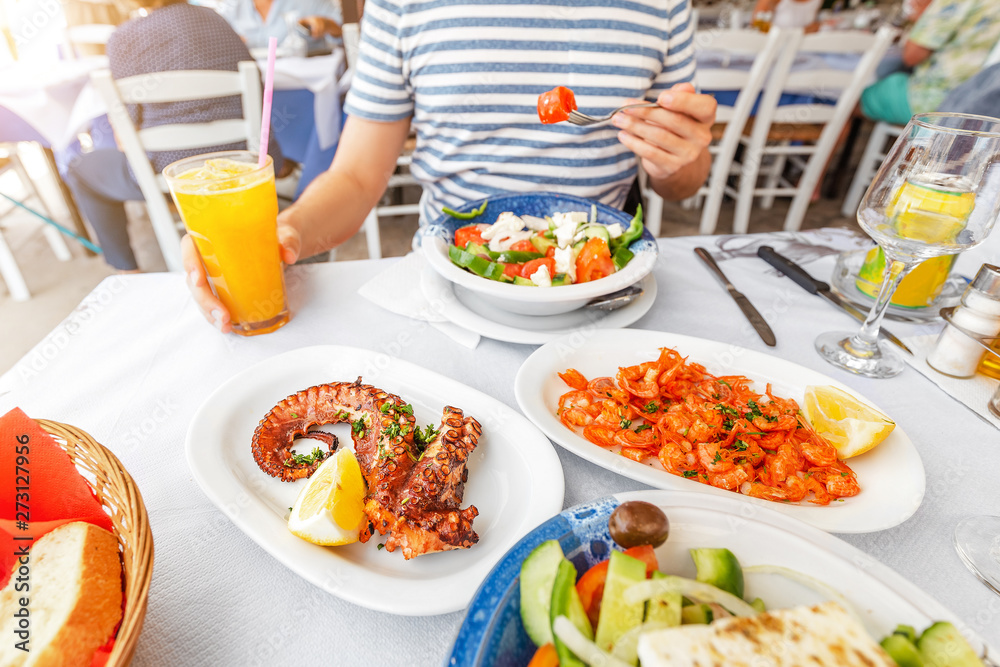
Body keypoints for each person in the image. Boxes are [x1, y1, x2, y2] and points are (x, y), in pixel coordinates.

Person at [184, 0, 716, 333]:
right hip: (449, 296)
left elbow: (684, 184)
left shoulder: (661, 6)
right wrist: (285, 231)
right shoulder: (403, 5)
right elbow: (356, 177)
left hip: (606, 300)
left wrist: (679, 158)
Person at [66, 0, 287, 273]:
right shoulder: (216, 20)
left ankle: (127, 272)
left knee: (79, 168)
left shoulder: (123, 37)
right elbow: (258, 89)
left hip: (174, 175)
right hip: (244, 165)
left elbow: (128, 125)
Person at [860, 0, 1000, 126]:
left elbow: (912, 56)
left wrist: (922, 17)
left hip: (938, 100)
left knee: (850, 100)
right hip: (977, 100)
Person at [218, 0, 342, 52]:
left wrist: (327, 25)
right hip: (252, 87)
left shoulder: (310, 2)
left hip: (304, 88)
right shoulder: (231, 6)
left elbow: (347, 32)